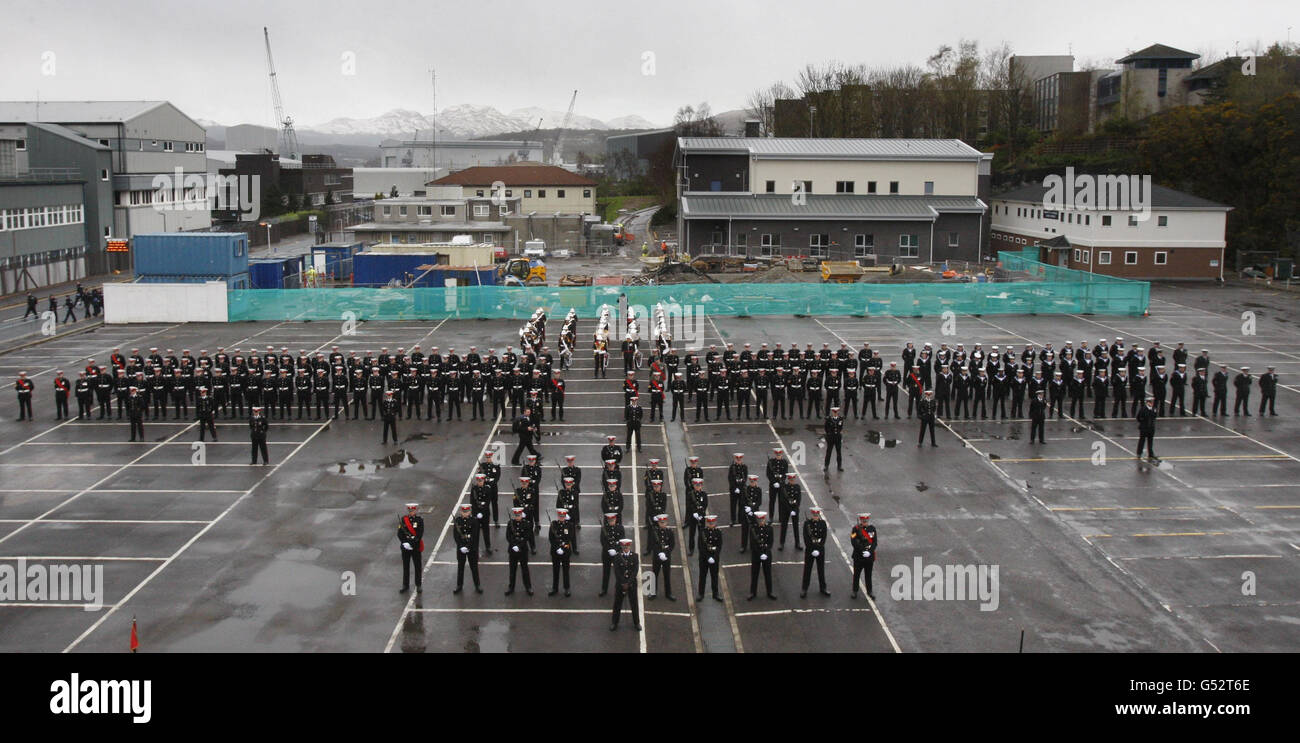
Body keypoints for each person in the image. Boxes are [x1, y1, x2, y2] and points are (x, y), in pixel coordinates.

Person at [610, 538, 641, 631]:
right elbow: (617, 571)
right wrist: (623, 582)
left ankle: (636, 622)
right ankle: (614, 622)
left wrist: (629, 582)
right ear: (621, 547)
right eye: (624, 547)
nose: (625, 548)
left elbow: (635, 571)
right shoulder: (617, 557)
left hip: (631, 584)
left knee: (634, 604)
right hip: (620, 584)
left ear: (629, 546)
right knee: (617, 604)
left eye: (627, 546)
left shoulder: (635, 556)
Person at [801, 507, 831, 598]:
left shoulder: (823, 523)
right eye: (814, 515)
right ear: (812, 515)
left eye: (817, 515)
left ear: (819, 515)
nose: (815, 517)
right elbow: (806, 538)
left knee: (821, 570)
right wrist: (811, 549)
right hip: (810, 550)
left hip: (820, 550)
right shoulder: (807, 524)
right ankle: (804, 588)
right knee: (807, 570)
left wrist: (818, 549)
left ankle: (823, 588)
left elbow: (824, 537)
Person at [505, 507, 534, 596]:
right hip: (513, 550)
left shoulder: (526, 524)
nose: (518, 517)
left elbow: (527, 536)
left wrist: (519, 546)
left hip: (522, 550)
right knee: (512, 570)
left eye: (519, 515)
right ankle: (511, 587)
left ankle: (528, 587)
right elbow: (508, 536)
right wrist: (513, 545)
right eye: (516, 515)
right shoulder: (510, 523)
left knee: (525, 569)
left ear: (521, 515)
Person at [646, 513, 676, 601]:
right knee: (654, 574)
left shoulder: (670, 532)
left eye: (664, 522)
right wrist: (659, 553)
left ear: (666, 522)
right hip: (657, 556)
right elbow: (652, 544)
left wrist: (666, 553)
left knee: (667, 575)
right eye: (661, 522)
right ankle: (653, 593)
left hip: (666, 556)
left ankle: (668, 593)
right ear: (658, 523)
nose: (662, 524)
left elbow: (672, 544)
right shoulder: (655, 532)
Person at [747, 511, 775, 600]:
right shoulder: (753, 529)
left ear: (764, 519)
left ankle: (770, 592)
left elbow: (770, 542)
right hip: (756, 554)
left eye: (762, 519)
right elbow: (752, 544)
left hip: (767, 554)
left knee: (768, 574)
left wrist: (766, 553)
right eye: (759, 520)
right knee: (754, 574)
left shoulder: (769, 529)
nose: (761, 521)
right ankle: (752, 592)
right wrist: (760, 553)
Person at [398, 503, 424, 594]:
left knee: (417, 566)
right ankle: (405, 585)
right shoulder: (403, 519)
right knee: (406, 566)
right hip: (405, 548)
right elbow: (400, 533)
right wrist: (404, 542)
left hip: (415, 547)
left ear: (416, 511)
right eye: (410, 511)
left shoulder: (419, 520)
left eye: (413, 511)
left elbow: (419, 535)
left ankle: (418, 585)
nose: (411, 512)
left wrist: (411, 544)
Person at [548, 508, 575, 597]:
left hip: (565, 551)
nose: (561, 518)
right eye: (560, 516)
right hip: (555, 552)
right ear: (558, 516)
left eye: (563, 516)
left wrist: (563, 548)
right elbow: (551, 538)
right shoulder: (553, 524)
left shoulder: (569, 525)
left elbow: (570, 538)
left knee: (566, 570)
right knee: (555, 570)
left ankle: (566, 588)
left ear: (565, 516)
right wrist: (557, 548)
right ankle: (555, 588)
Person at [850, 513, 877, 600]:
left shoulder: (872, 529)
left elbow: (874, 542)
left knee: (868, 575)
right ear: (861, 521)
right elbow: (853, 541)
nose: (864, 522)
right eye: (863, 521)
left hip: (869, 556)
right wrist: (862, 551)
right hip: (859, 556)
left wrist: (869, 552)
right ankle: (855, 590)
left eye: (866, 521)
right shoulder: (855, 529)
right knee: (857, 574)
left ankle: (869, 591)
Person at [823, 406, 844, 472]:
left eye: (836, 412)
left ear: (838, 412)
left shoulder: (840, 419)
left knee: (839, 452)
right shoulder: (829, 419)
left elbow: (840, 427)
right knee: (829, 452)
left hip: (837, 437)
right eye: (834, 412)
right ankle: (826, 466)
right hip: (831, 437)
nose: (835, 413)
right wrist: (829, 434)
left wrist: (837, 433)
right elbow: (826, 428)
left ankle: (839, 466)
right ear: (832, 412)